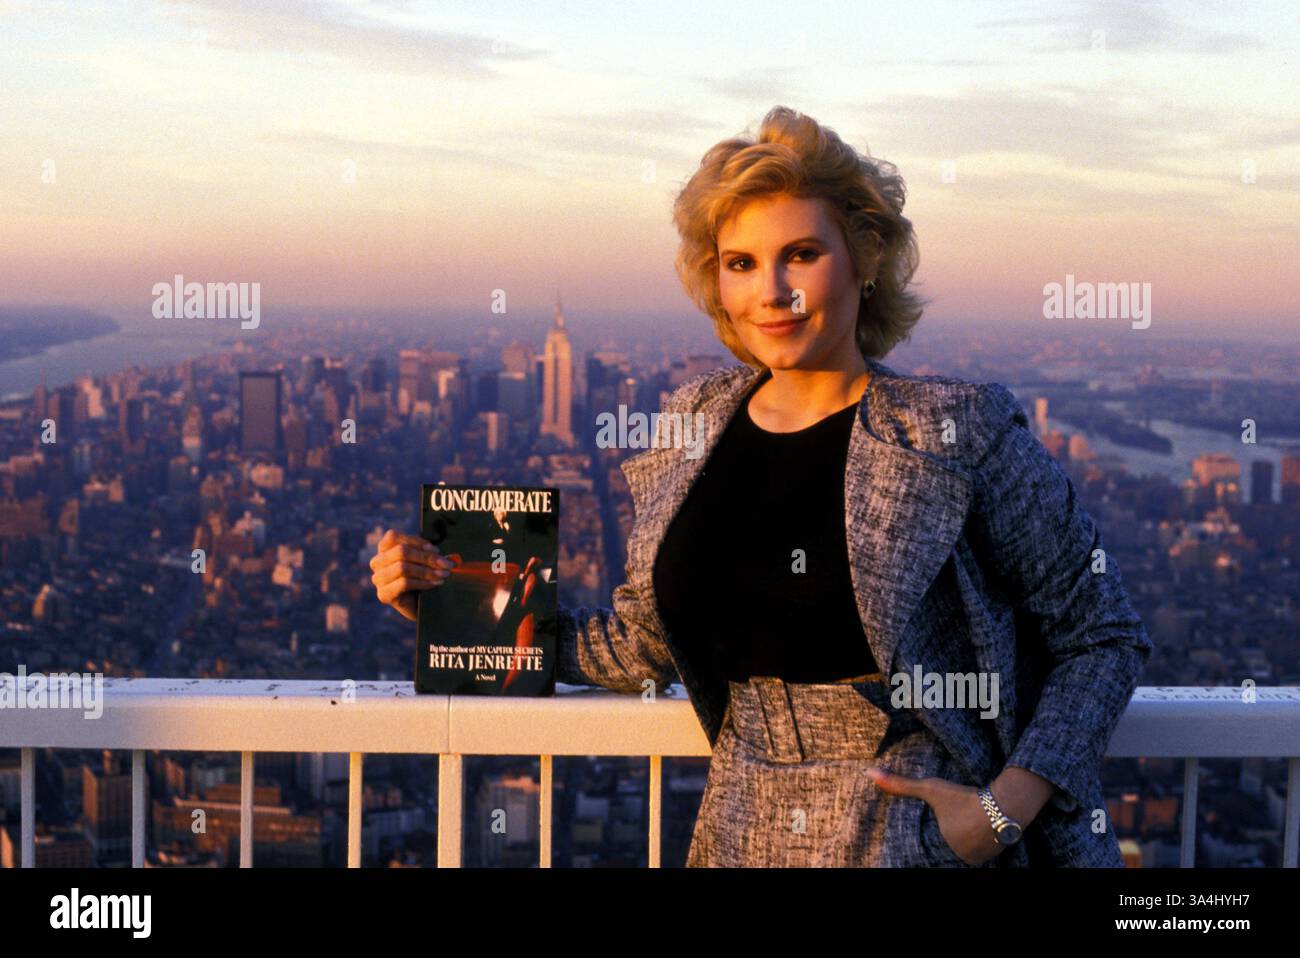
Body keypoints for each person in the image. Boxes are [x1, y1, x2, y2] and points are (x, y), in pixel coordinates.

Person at [372, 105, 1152, 868]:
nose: (771, 290)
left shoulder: (953, 431)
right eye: (741, 263)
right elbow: (643, 643)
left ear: (866, 256)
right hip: (739, 828)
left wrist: (1001, 809)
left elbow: (1102, 635)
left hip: (912, 835)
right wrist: (456, 606)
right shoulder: (694, 427)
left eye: (802, 254)